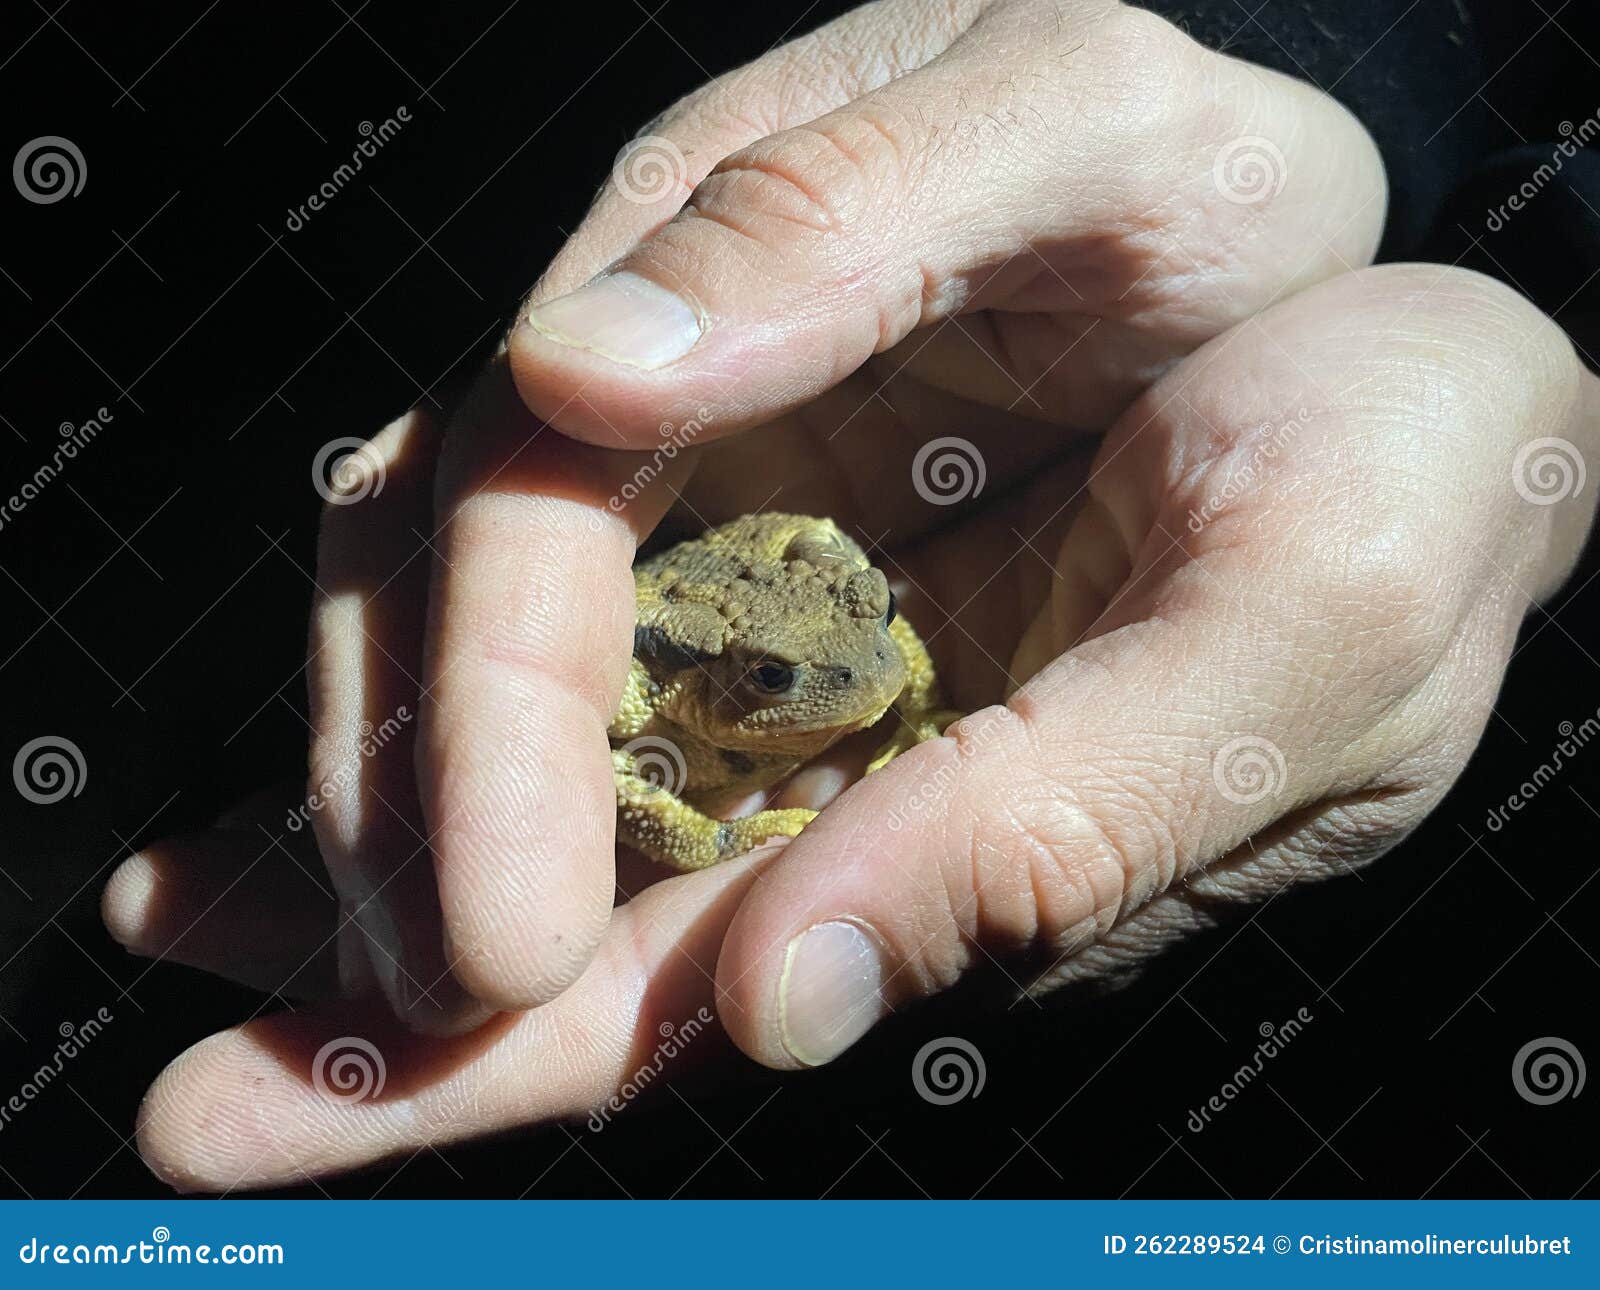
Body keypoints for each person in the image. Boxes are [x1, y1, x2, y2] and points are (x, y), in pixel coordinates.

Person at [101, 0, 1597, 1190]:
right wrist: (694, 823)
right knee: (395, 837)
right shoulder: (644, 674)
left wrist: (1553, 355)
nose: (853, 672)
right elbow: (633, 751)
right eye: (774, 684)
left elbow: (828, 565)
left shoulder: (839, 608)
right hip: (401, 458)